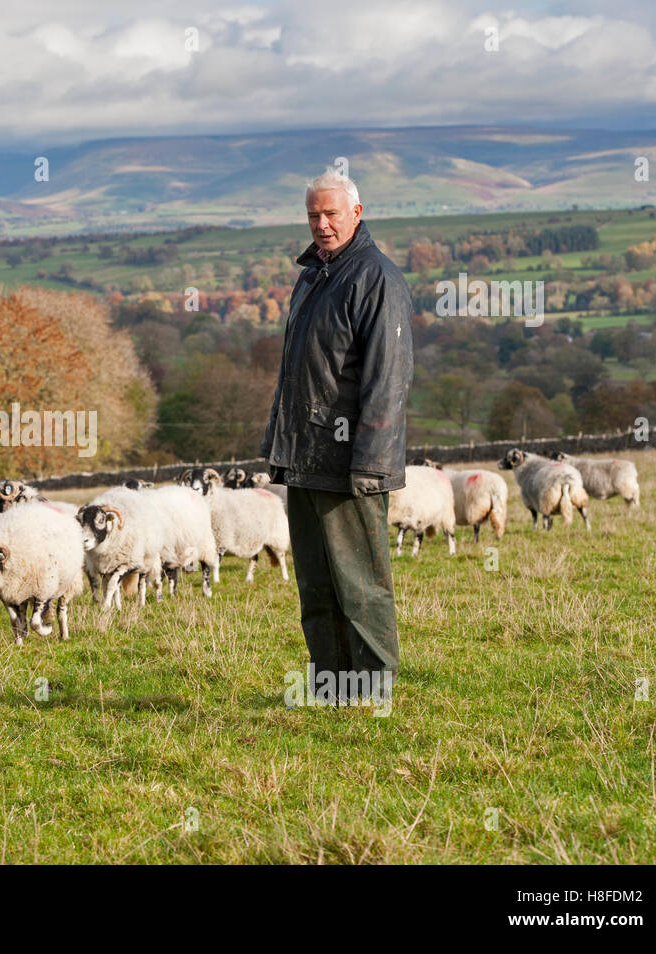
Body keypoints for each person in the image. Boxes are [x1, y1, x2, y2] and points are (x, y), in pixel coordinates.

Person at [259, 171, 413, 704]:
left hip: (351, 461)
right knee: (317, 584)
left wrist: (370, 463)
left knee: (361, 585)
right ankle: (333, 689)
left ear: (357, 212)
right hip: (305, 456)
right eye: (312, 216)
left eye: (331, 214)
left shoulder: (376, 278)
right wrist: (279, 448)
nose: (321, 225)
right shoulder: (312, 277)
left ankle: (372, 693)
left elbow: (387, 380)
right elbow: (297, 372)